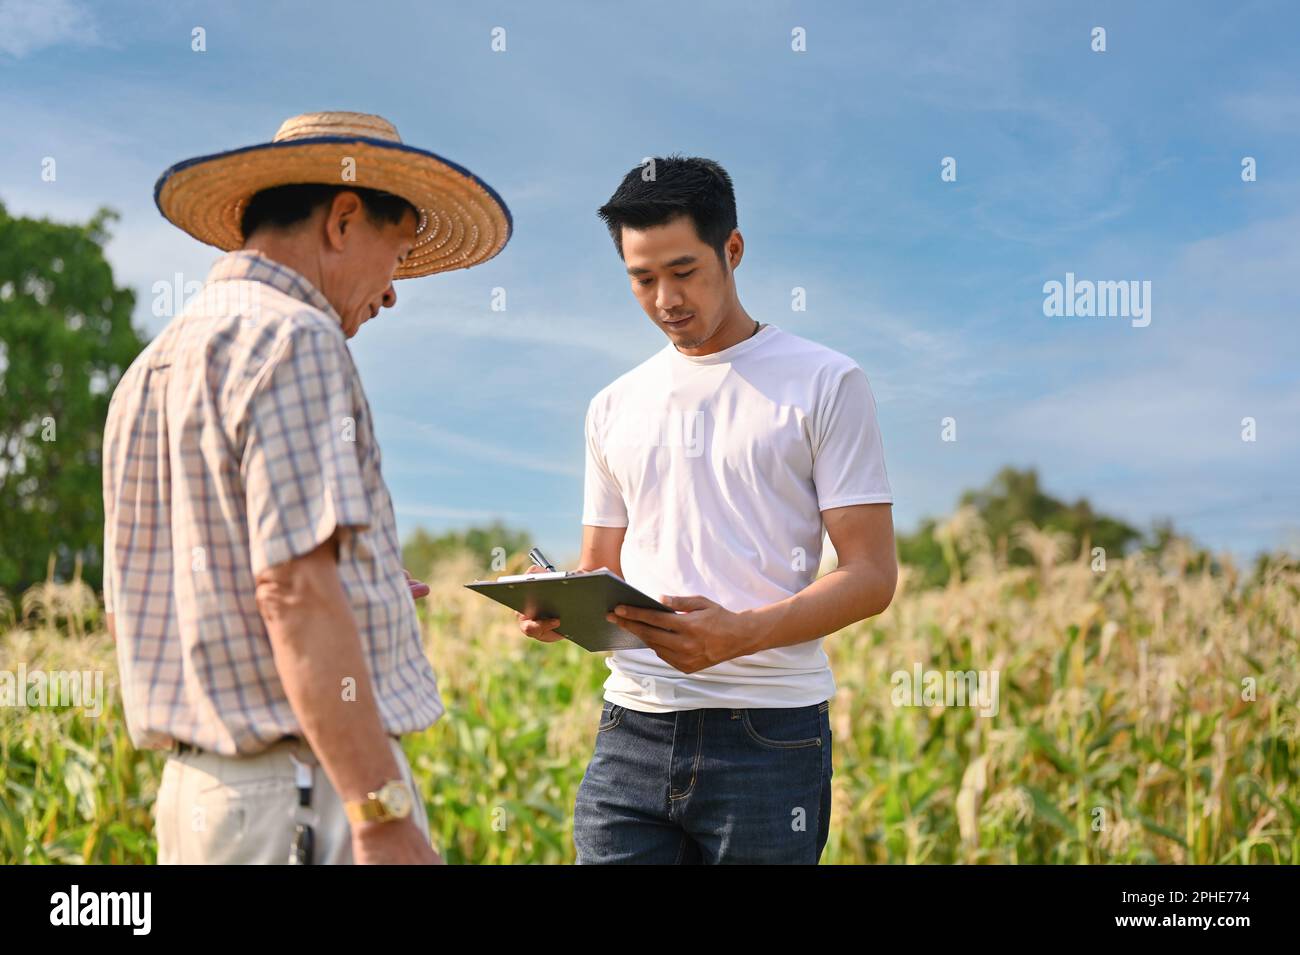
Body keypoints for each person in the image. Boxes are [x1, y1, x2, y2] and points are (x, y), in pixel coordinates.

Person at [102, 111, 510, 864]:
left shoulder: (148, 369)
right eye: (399, 251)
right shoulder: (295, 337)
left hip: (199, 800)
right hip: (302, 795)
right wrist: (382, 814)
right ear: (345, 218)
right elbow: (292, 591)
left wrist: (360, 588)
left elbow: (165, 594)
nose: (392, 293)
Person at [518, 156, 897, 863]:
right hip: (631, 729)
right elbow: (600, 567)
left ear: (733, 250)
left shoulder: (827, 381)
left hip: (770, 736)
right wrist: (559, 607)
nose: (665, 297)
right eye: (642, 277)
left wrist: (742, 634)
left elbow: (873, 575)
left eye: (684, 270)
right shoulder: (612, 405)